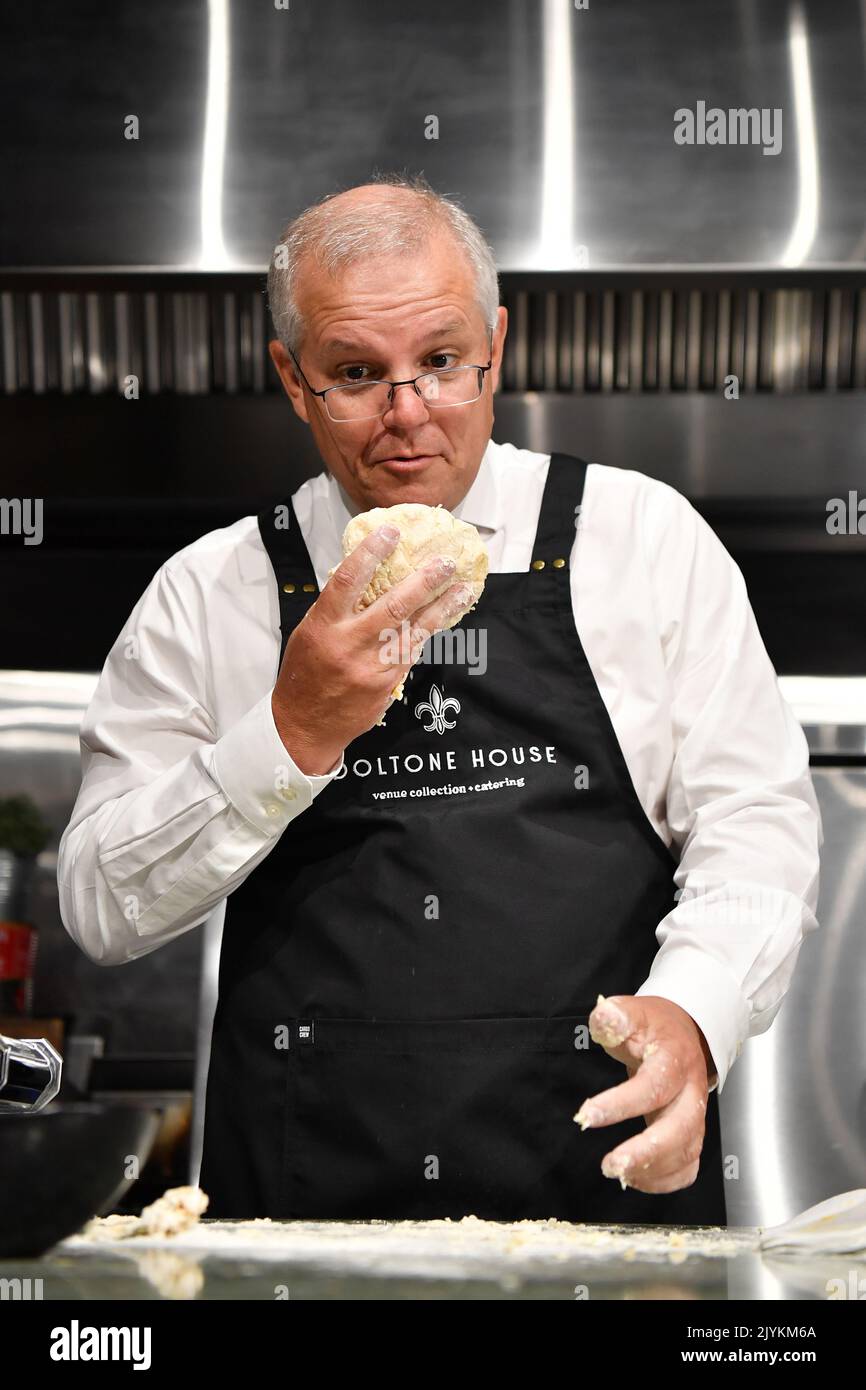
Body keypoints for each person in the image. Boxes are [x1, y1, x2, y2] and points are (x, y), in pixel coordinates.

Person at [58, 173, 822, 1224]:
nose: (407, 415)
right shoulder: (212, 592)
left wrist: (695, 1013)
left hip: (602, 1206)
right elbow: (101, 905)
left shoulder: (640, 540)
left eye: (441, 363)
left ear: (495, 346)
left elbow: (755, 828)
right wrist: (291, 732)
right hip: (297, 1226)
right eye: (357, 373)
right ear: (290, 376)